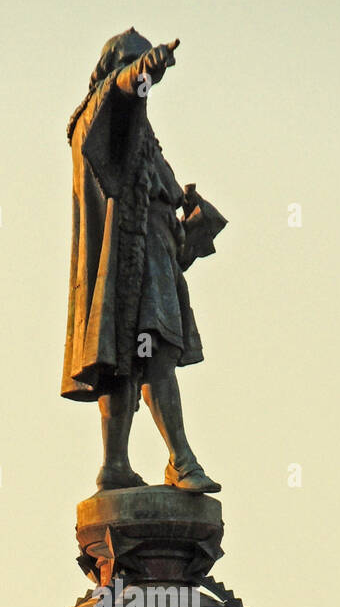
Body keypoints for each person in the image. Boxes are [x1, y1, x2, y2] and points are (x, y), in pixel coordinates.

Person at [62, 28, 226, 493]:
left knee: (127, 355)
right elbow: (120, 90)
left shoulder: (141, 134)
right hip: (131, 260)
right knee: (153, 351)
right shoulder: (100, 113)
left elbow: (165, 194)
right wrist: (146, 68)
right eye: (131, 66)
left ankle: (115, 465)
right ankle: (182, 460)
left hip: (153, 254)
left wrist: (190, 216)